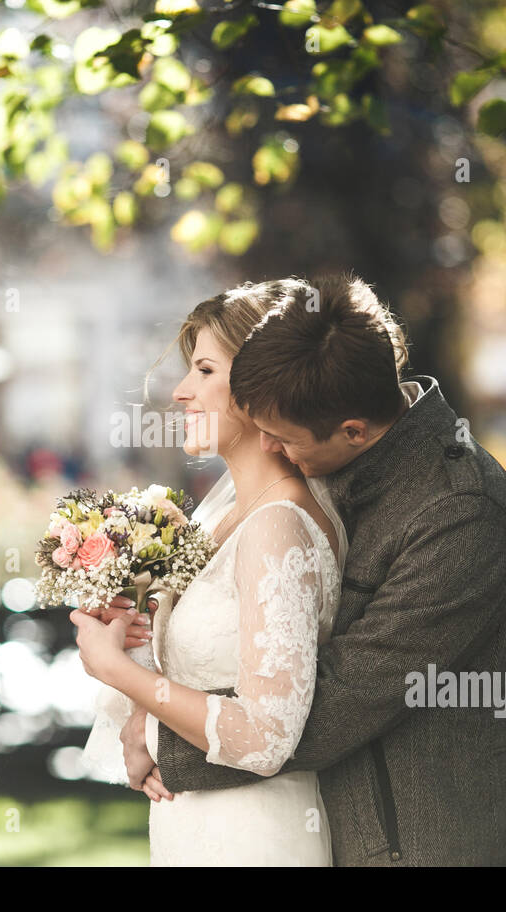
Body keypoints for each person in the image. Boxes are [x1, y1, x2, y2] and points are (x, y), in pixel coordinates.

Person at [74, 273, 506, 865]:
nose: (271, 448)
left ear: (352, 431)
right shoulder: (325, 458)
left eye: (282, 437)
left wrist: (155, 735)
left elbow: (333, 704)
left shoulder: (460, 514)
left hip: (414, 848)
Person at [73, 277, 346, 864]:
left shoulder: (279, 525)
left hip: (253, 835)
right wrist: (135, 645)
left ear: (260, 388)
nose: (179, 392)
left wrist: (116, 670)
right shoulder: (220, 519)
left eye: (203, 370)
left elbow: (266, 736)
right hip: (193, 828)